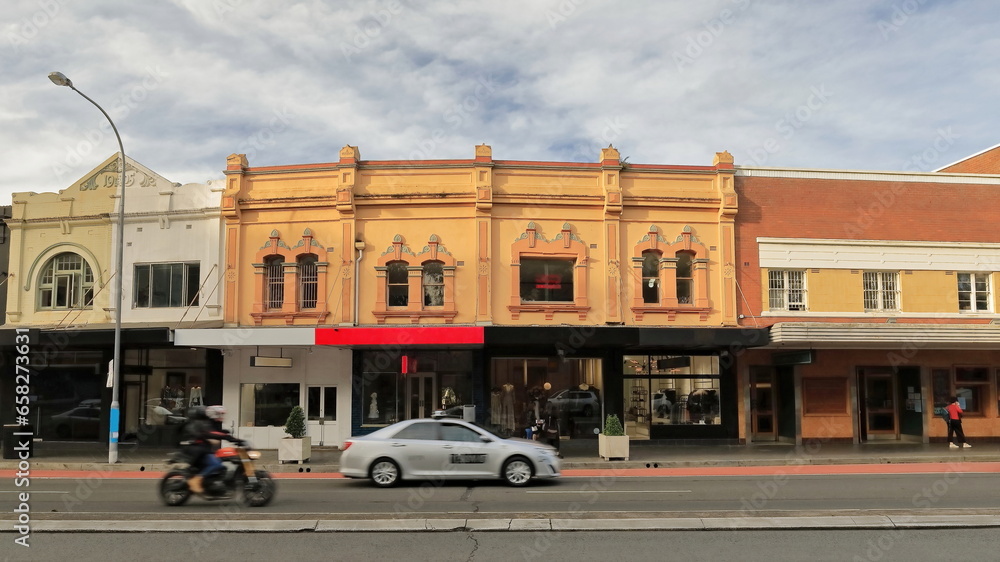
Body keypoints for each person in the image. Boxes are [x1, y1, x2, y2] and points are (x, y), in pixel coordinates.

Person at [180, 405, 239, 493]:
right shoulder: (199, 423)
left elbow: (214, 433)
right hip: (198, 451)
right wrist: (228, 437)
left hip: (203, 450)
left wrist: (226, 434)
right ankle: (195, 481)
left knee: (222, 464)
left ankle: (213, 484)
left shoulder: (205, 423)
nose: (221, 417)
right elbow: (210, 433)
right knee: (216, 465)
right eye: (219, 414)